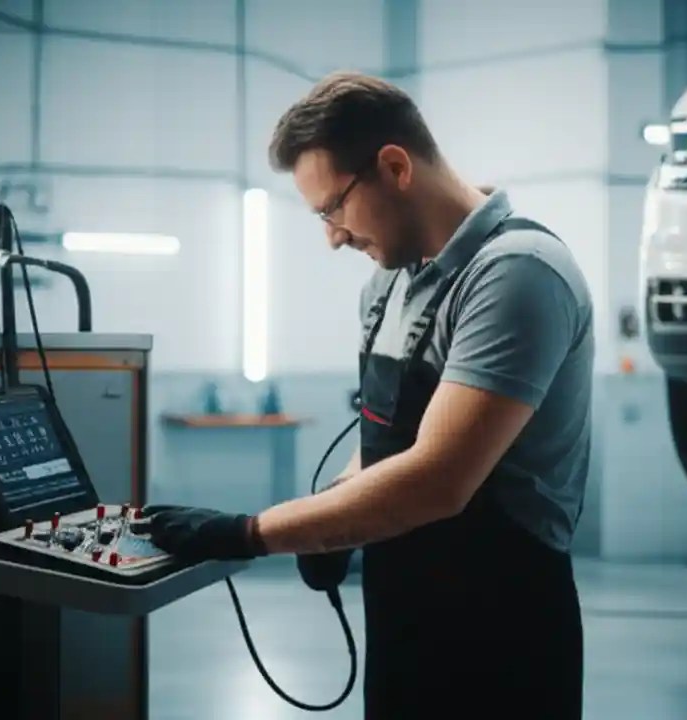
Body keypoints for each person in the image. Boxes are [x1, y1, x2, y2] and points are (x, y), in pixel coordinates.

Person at [133, 71, 594, 719]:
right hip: (404, 604)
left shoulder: (516, 274)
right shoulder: (386, 286)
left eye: (333, 208)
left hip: (503, 624)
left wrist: (252, 532)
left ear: (395, 166)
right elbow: (388, 447)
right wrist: (332, 522)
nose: (333, 236)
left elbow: (438, 479)